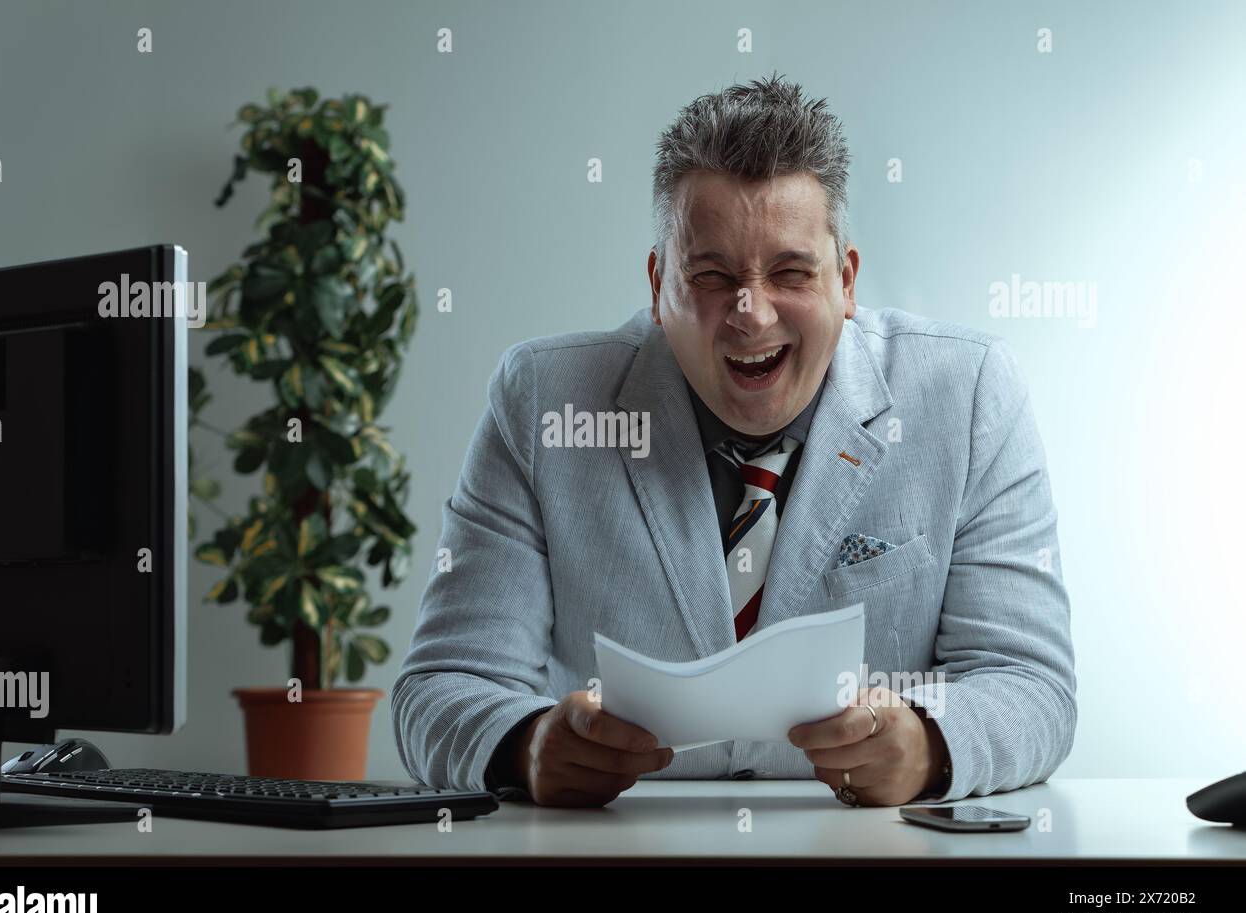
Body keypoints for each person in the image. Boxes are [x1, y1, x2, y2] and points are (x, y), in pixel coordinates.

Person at [392, 72, 1076, 809]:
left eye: (790, 272)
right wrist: (523, 747)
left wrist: (930, 746)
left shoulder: (968, 395)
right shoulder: (541, 401)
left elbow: (1032, 685)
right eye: (713, 276)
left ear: (846, 282)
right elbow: (440, 686)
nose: (751, 315)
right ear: (658, 287)